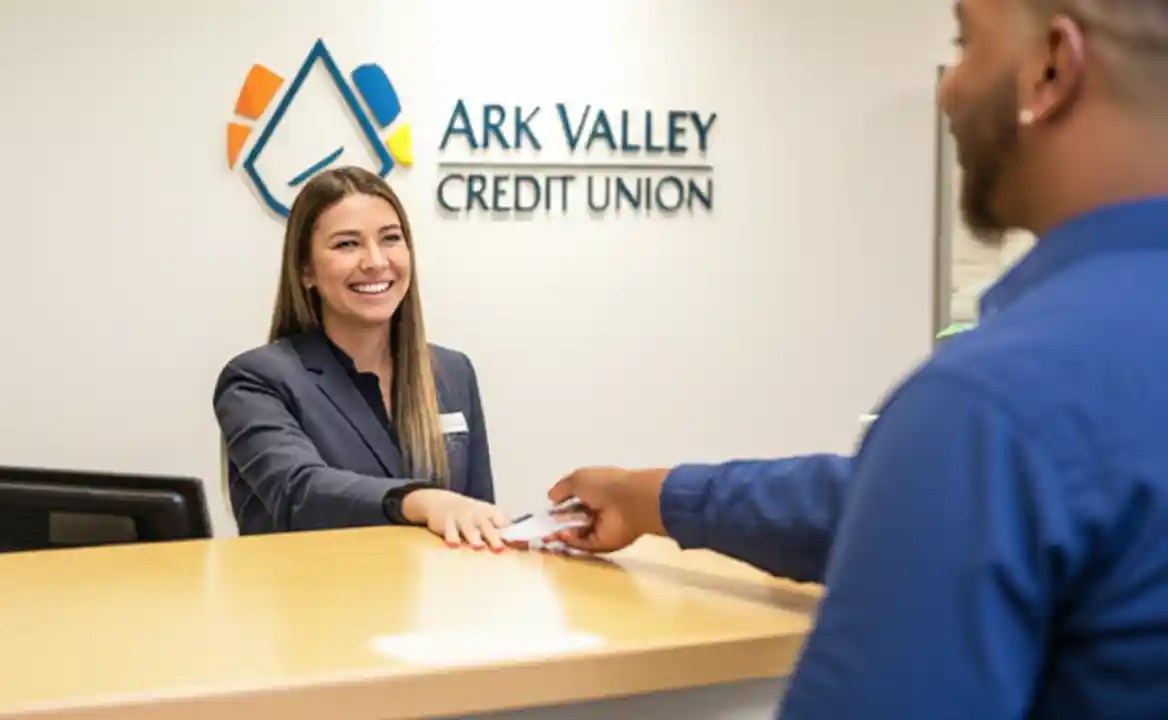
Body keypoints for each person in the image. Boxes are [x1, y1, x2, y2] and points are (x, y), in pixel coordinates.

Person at [547, 0, 1168, 717]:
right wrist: (654, 496)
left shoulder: (993, 405)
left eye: (967, 44)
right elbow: (879, 502)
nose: (947, 89)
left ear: (1052, 67)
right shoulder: (1012, 427)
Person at [214, 166, 508, 550]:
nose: (375, 261)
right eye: (347, 244)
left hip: (436, 605)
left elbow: (475, 516)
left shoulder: (453, 373)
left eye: (390, 239)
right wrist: (421, 501)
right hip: (310, 604)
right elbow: (297, 490)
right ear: (306, 270)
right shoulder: (257, 380)